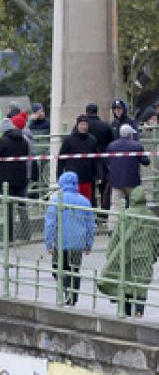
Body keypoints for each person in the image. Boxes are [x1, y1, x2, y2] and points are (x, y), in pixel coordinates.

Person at [97, 188, 159, 318]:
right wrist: (154, 254)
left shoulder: (125, 215)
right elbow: (156, 238)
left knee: (125, 281)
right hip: (144, 256)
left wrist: (110, 254)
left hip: (127, 255)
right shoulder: (151, 217)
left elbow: (116, 237)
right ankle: (139, 311)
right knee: (141, 284)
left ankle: (125, 311)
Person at [45, 170, 97, 306]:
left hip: (60, 243)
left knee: (57, 269)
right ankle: (72, 295)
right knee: (74, 269)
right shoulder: (84, 201)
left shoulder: (56, 200)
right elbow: (90, 224)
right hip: (77, 243)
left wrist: (49, 243)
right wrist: (88, 243)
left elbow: (50, 223)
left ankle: (66, 289)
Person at [0, 114, 35, 242]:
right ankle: (26, 233)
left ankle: (9, 235)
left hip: (6, 178)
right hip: (21, 177)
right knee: (22, 205)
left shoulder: (3, 141)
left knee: (8, 206)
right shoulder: (24, 140)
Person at [105, 123, 148, 230]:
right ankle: (136, 228)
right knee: (136, 204)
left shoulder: (111, 146)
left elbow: (106, 160)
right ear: (130, 134)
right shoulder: (136, 146)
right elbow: (145, 161)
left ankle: (112, 229)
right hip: (132, 181)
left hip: (116, 181)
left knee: (115, 206)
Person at [57, 116, 101, 204]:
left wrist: (99, 175)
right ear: (77, 125)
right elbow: (61, 159)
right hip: (73, 179)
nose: (84, 127)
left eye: (85, 124)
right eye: (82, 124)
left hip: (88, 177)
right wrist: (59, 175)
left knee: (87, 202)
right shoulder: (68, 140)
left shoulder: (92, 140)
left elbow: (96, 159)